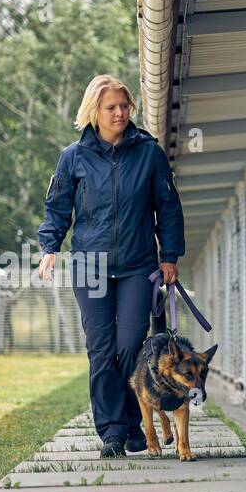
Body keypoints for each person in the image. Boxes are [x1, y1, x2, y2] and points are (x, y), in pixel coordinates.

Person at [37, 74, 184, 457]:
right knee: (101, 349)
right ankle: (114, 433)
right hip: (91, 266)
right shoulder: (73, 157)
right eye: (111, 107)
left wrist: (169, 255)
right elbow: (58, 206)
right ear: (94, 112)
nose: (119, 113)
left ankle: (132, 423)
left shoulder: (148, 153)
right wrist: (49, 246)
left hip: (137, 265)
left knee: (129, 344)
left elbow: (167, 206)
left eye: (124, 106)